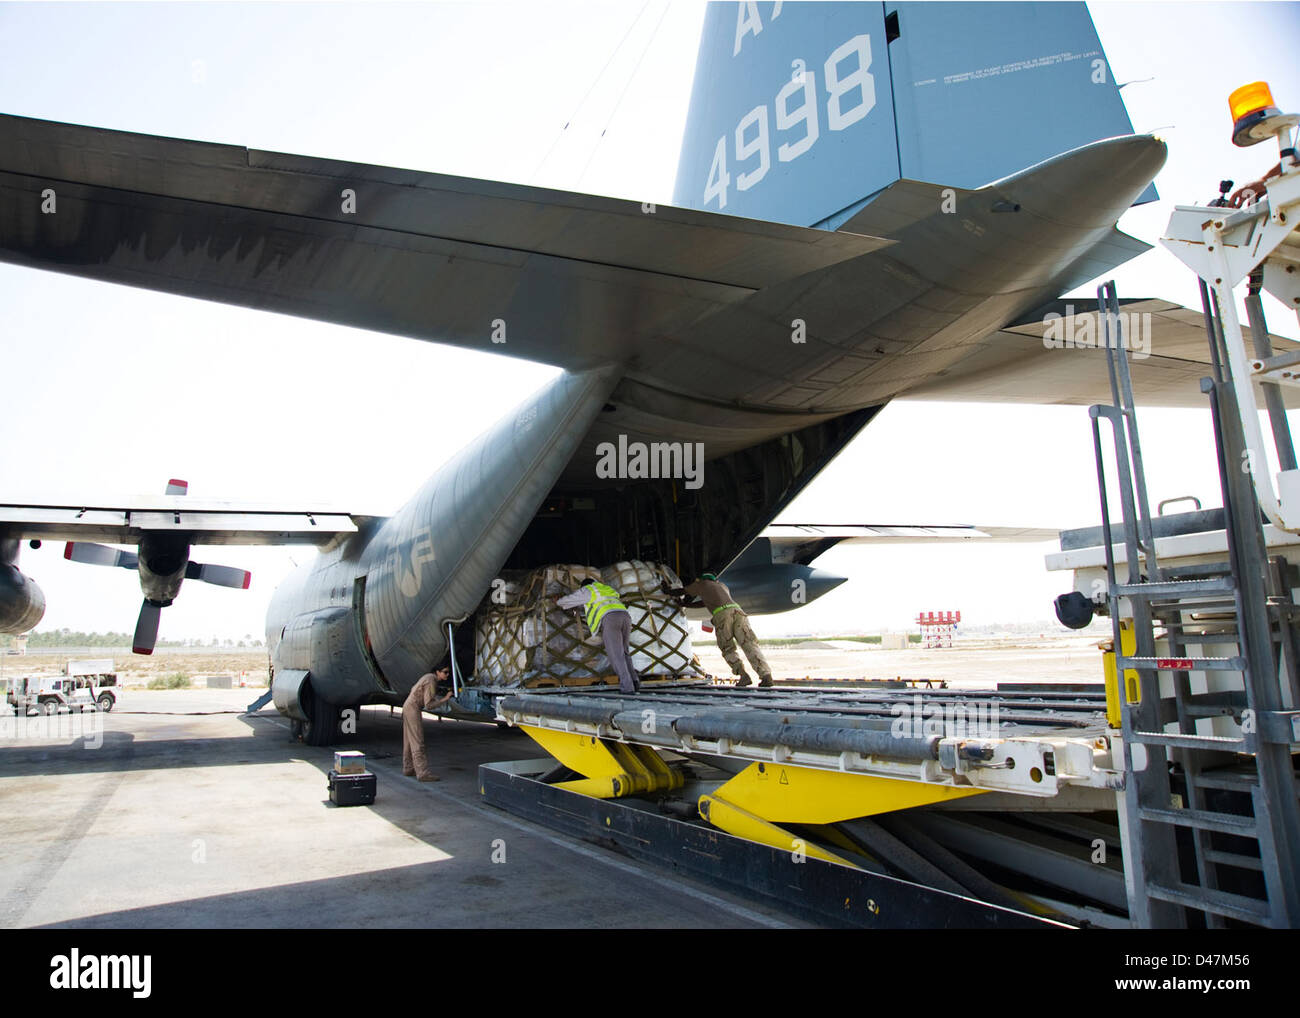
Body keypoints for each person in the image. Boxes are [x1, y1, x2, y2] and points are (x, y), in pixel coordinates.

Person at [674, 573, 772, 688]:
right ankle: (766, 676)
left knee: (727, 648)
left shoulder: (701, 584)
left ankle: (743, 675)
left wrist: (667, 590)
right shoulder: (722, 586)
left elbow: (681, 591)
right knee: (749, 644)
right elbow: (705, 602)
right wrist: (687, 604)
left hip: (722, 615)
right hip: (738, 611)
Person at [556, 578, 641, 694]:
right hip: (625, 616)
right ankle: (635, 681)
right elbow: (595, 604)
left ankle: (627, 688)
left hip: (611, 619)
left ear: (584, 586)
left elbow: (570, 600)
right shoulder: (606, 588)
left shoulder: (588, 590)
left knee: (616, 655)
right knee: (625, 652)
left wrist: (558, 602)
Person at [402, 664, 454, 781]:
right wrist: (445, 699)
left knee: (409, 740)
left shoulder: (428, 677)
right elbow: (429, 705)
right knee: (417, 740)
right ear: (438, 672)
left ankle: (408, 768)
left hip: (408, 705)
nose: (447, 675)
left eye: (448, 672)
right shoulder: (431, 680)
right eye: (445, 672)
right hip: (413, 708)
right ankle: (422, 773)